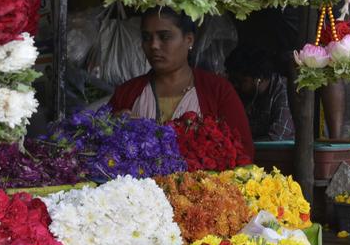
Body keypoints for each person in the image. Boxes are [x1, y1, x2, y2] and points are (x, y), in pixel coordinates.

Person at [109, 8, 254, 159]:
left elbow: (243, 152)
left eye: (164, 37)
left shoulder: (218, 91)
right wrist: (114, 129)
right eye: (146, 38)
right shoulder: (126, 93)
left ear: (189, 40)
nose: (153, 45)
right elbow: (103, 151)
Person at [225, 47, 295, 141]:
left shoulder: (284, 92)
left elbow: (277, 138)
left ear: (259, 78)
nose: (236, 85)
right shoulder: (245, 94)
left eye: (241, 81)